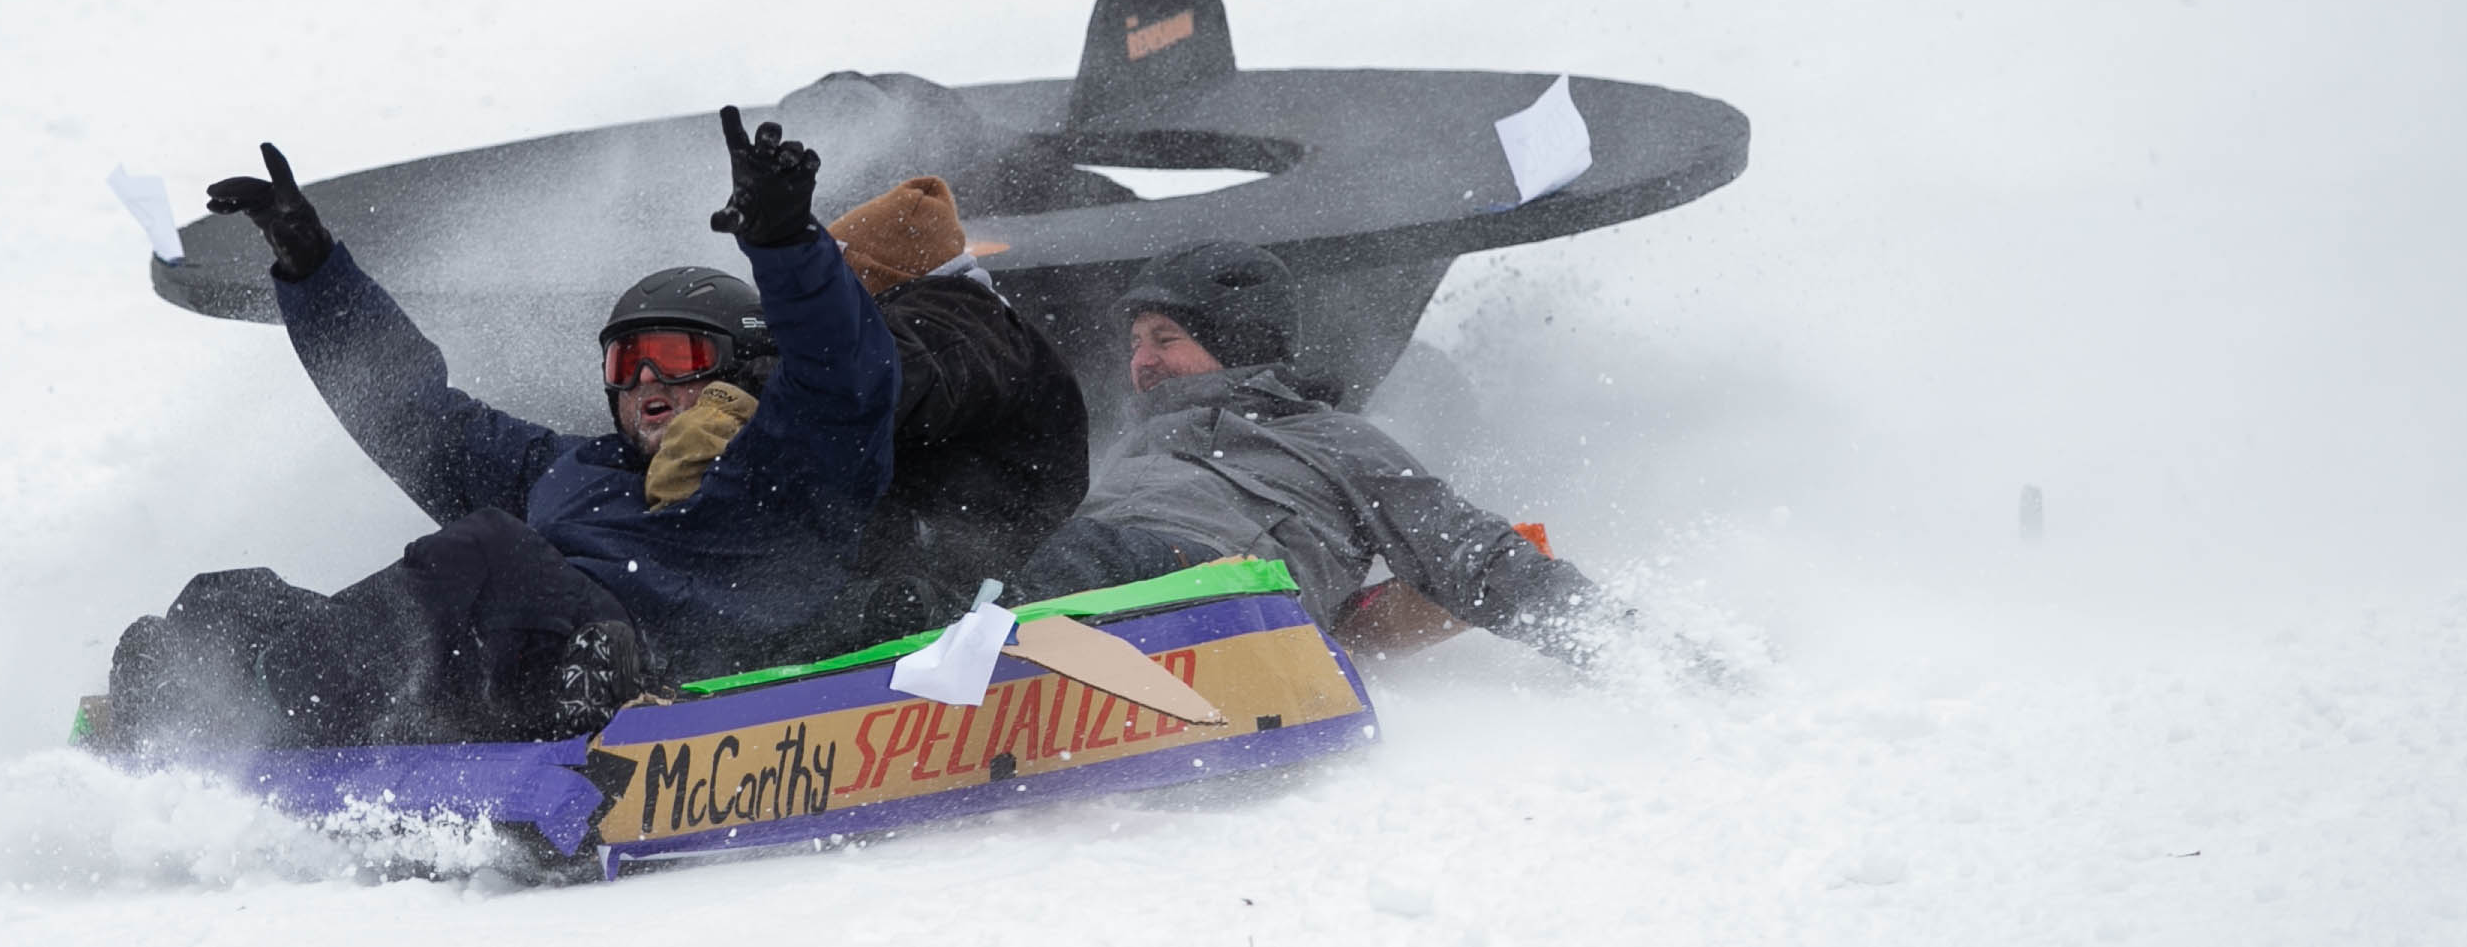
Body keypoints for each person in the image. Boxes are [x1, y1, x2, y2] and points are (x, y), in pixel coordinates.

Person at [101, 109, 898, 753]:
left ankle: (265, 715)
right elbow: (412, 412)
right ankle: (208, 692)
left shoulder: (792, 464)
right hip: (502, 669)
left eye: (676, 355)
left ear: (742, 365)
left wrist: (786, 244)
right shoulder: (564, 471)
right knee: (228, 603)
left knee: (492, 550)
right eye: (627, 360)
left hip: (638, 670)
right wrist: (311, 268)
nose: (647, 380)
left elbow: (844, 371)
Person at [1005, 242, 1620, 669]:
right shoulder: (1131, 443)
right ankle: (941, 642)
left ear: (1238, 341)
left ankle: (968, 626)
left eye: (1166, 340)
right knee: (962, 540)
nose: (1142, 362)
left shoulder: (1331, 438)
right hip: (1089, 577)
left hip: (1219, 590)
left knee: (1058, 557)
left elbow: (1470, 550)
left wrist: (1617, 640)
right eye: (1136, 344)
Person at [644, 174, 1092, 647]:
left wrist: (751, 387)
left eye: (833, 278)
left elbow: (881, 379)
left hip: (969, 595)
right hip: (950, 583)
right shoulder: (965, 330)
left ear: (865, 279)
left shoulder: (958, 318)